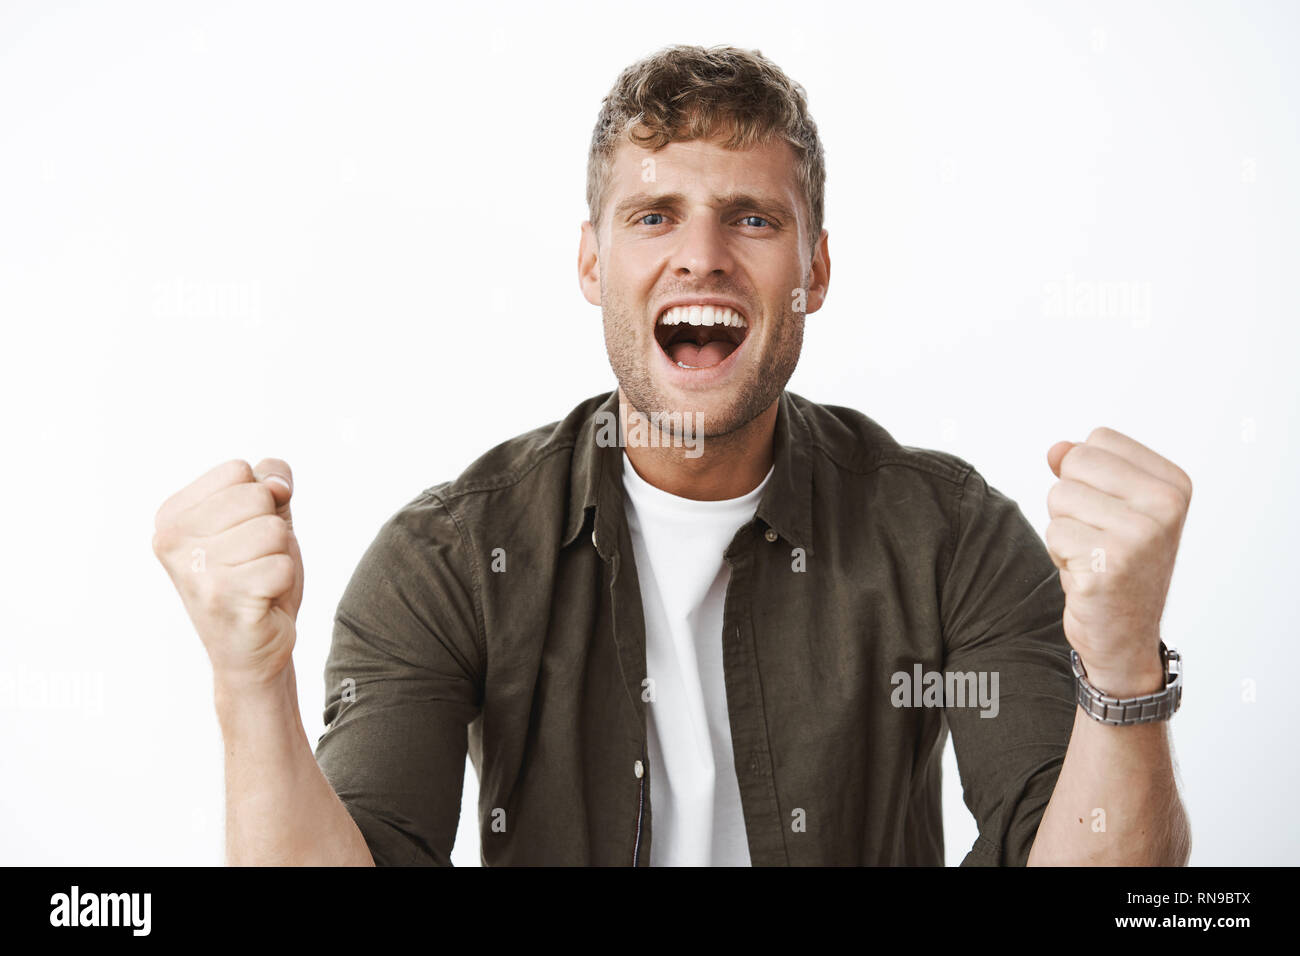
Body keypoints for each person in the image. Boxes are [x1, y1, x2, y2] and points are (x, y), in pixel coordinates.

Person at [152, 44, 1192, 866]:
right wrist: (250, 683)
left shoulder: (948, 534)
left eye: (752, 217)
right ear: (593, 263)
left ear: (814, 270)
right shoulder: (450, 558)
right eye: (654, 216)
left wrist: (1122, 663)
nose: (702, 254)